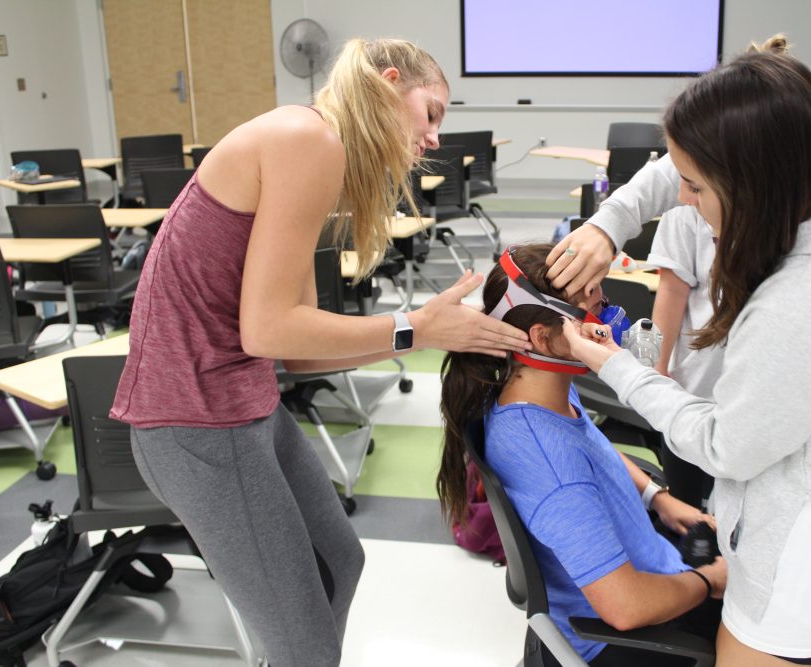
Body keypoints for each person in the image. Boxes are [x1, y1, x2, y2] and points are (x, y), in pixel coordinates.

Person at [109, 38, 531, 667]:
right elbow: (268, 332)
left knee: (339, 562)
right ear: (390, 84)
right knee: (302, 641)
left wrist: (434, 326)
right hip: (197, 420)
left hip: (243, 404)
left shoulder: (313, 148)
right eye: (432, 111)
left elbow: (296, 349)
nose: (436, 137)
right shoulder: (308, 140)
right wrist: (416, 327)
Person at [554, 38, 811, 666]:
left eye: (695, 188)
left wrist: (618, 368)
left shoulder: (801, 302)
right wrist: (610, 222)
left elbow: (725, 444)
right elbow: (682, 169)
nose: (684, 202)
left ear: (750, 183)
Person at [437, 243, 726, 667]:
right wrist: (708, 581)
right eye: (592, 313)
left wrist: (657, 499)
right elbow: (625, 608)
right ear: (541, 338)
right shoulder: (551, 466)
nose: (608, 322)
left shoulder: (539, 393)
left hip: (655, 573)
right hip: (636, 631)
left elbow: (590, 445)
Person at [645, 204, 722, 510]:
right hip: (691, 393)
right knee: (687, 510)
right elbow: (670, 297)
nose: (686, 194)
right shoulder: (684, 219)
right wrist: (657, 371)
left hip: (750, 399)